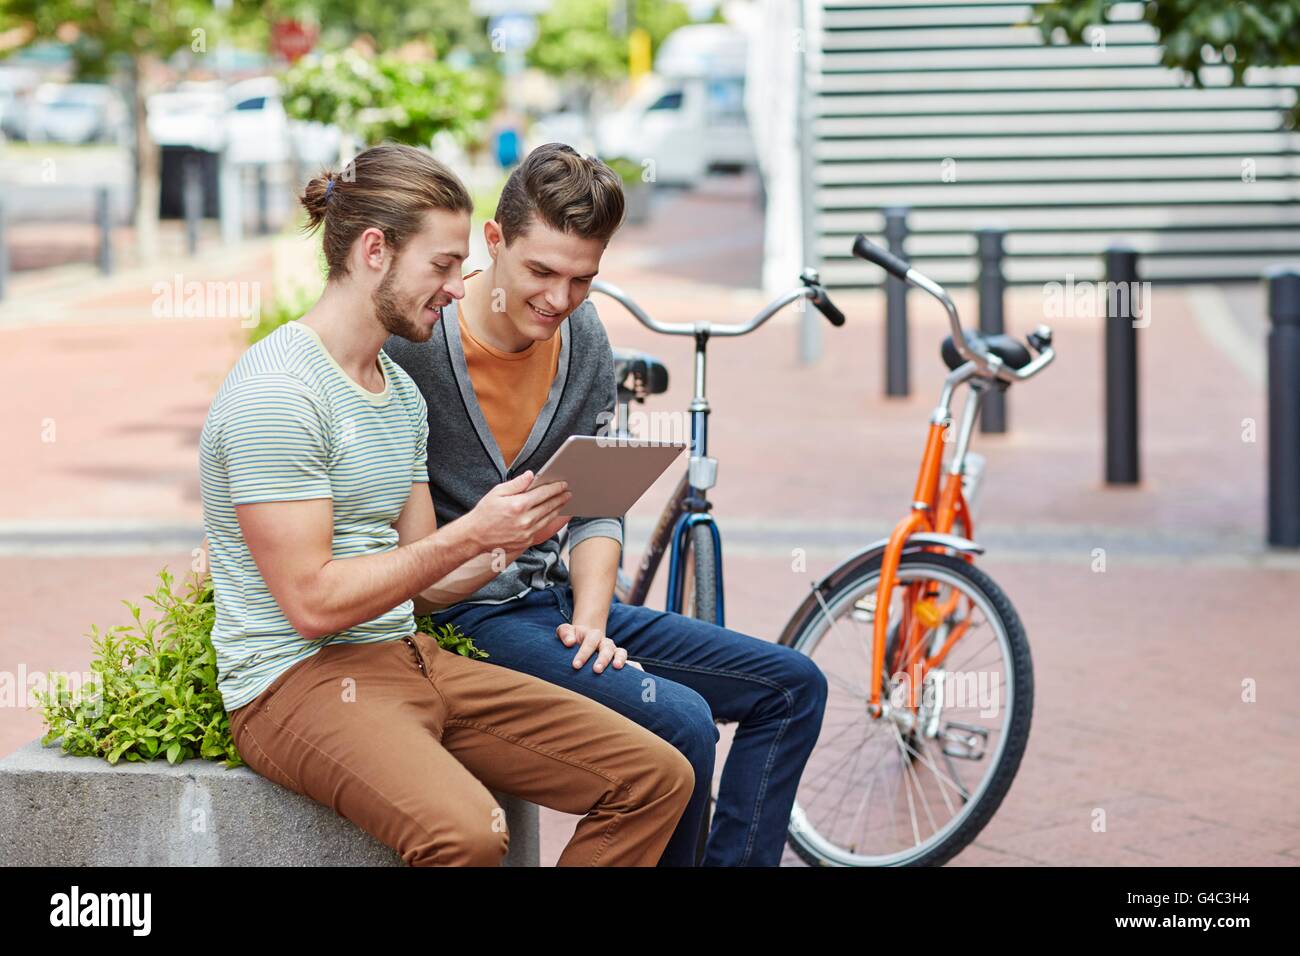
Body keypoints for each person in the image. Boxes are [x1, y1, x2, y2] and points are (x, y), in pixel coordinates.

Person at [199, 143, 693, 866]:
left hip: (408, 655)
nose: (459, 288)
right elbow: (312, 603)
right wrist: (469, 540)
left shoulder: (396, 393)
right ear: (376, 251)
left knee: (655, 777)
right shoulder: (280, 393)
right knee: (468, 832)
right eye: (440, 265)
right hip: (292, 684)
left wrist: (513, 534)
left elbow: (423, 589)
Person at [384, 143, 828, 866]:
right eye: (541, 272)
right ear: (493, 242)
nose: (559, 300)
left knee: (792, 687)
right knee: (680, 721)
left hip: (558, 609)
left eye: (582, 279)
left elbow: (593, 504)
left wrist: (592, 624)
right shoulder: (420, 347)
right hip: (466, 616)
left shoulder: (583, 339)